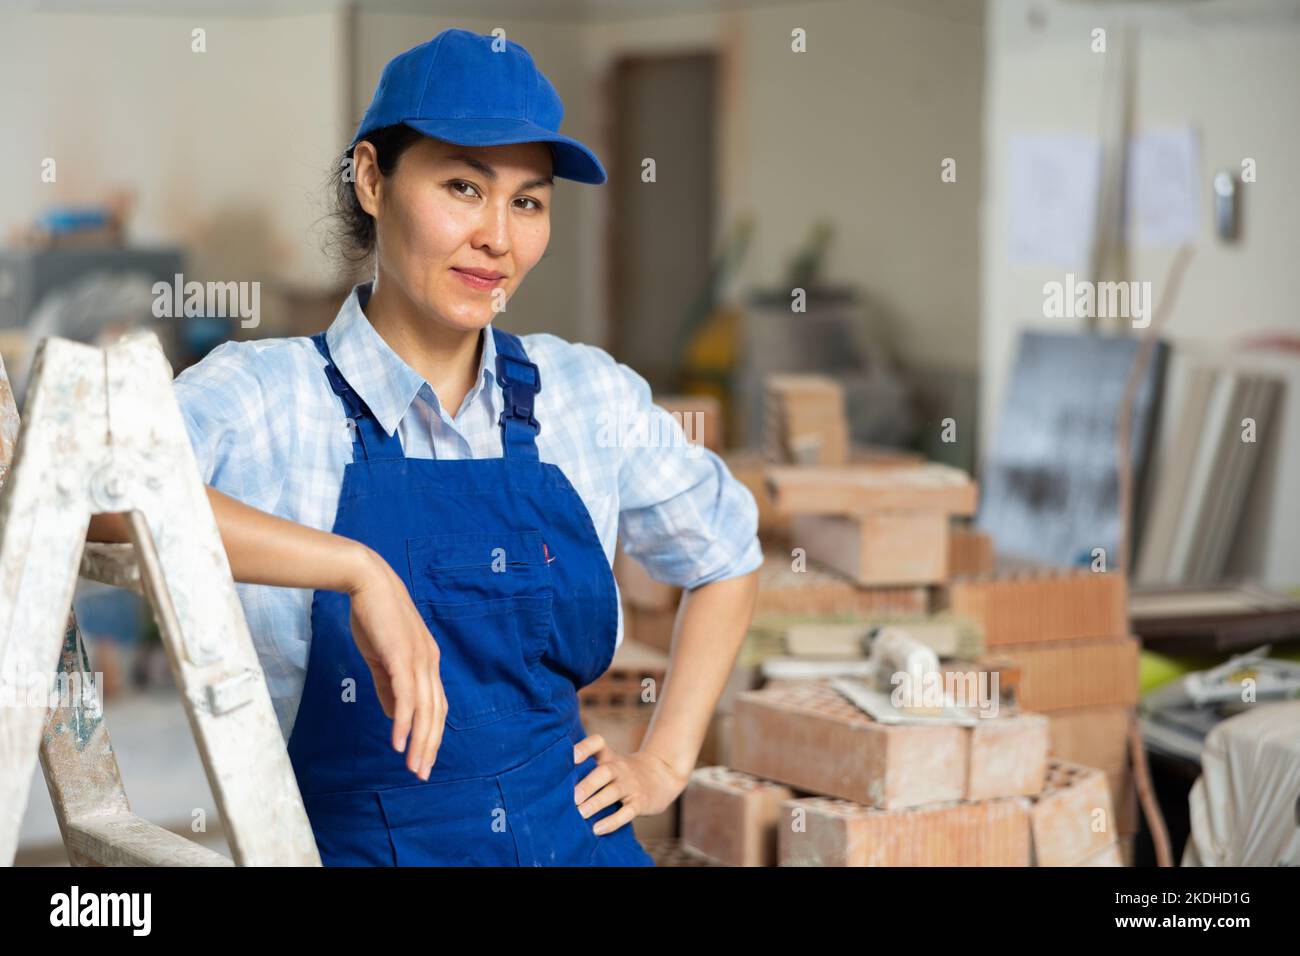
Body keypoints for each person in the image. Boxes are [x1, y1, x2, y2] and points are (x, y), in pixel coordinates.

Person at [89, 27, 761, 866]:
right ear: (371, 178)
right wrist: (356, 569)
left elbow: (727, 552)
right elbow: (103, 491)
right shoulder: (268, 396)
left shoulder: (584, 394)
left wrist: (665, 761)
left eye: (528, 201)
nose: (498, 239)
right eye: (461, 187)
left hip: (574, 840)